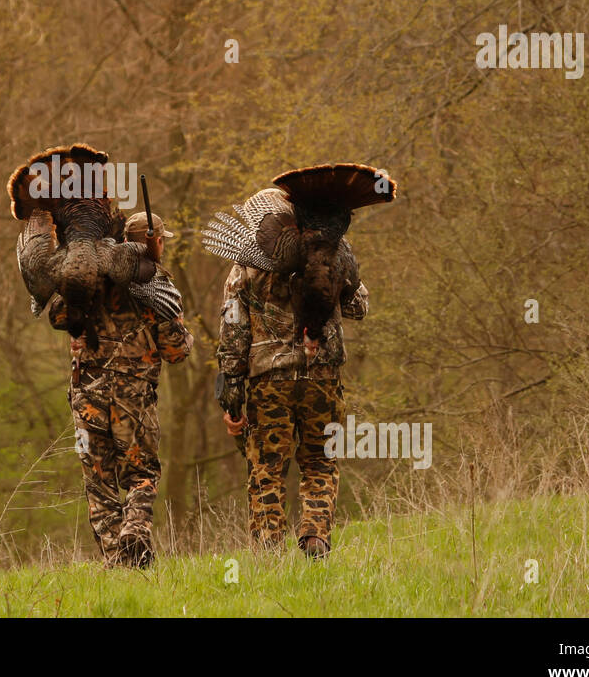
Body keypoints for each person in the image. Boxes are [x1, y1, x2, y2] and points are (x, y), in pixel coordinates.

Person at [47, 211, 192, 567]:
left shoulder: (89, 277)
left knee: (98, 483)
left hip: (87, 394)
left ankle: (117, 561)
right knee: (142, 473)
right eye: (162, 240)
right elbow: (175, 352)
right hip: (134, 396)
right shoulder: (156, 282)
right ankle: (135, 531)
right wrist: (185, 337)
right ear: (154, 242)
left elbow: (57, 316)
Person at [216, 233, 368, 558]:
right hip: (323, 375)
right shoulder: (330, 251)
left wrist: (231, 384)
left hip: (269, 379)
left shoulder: (248, 260)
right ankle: (315, 536)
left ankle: (270, 547)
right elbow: (359, 306)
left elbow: (233, 325)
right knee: (321, 461)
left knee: (266, 467)